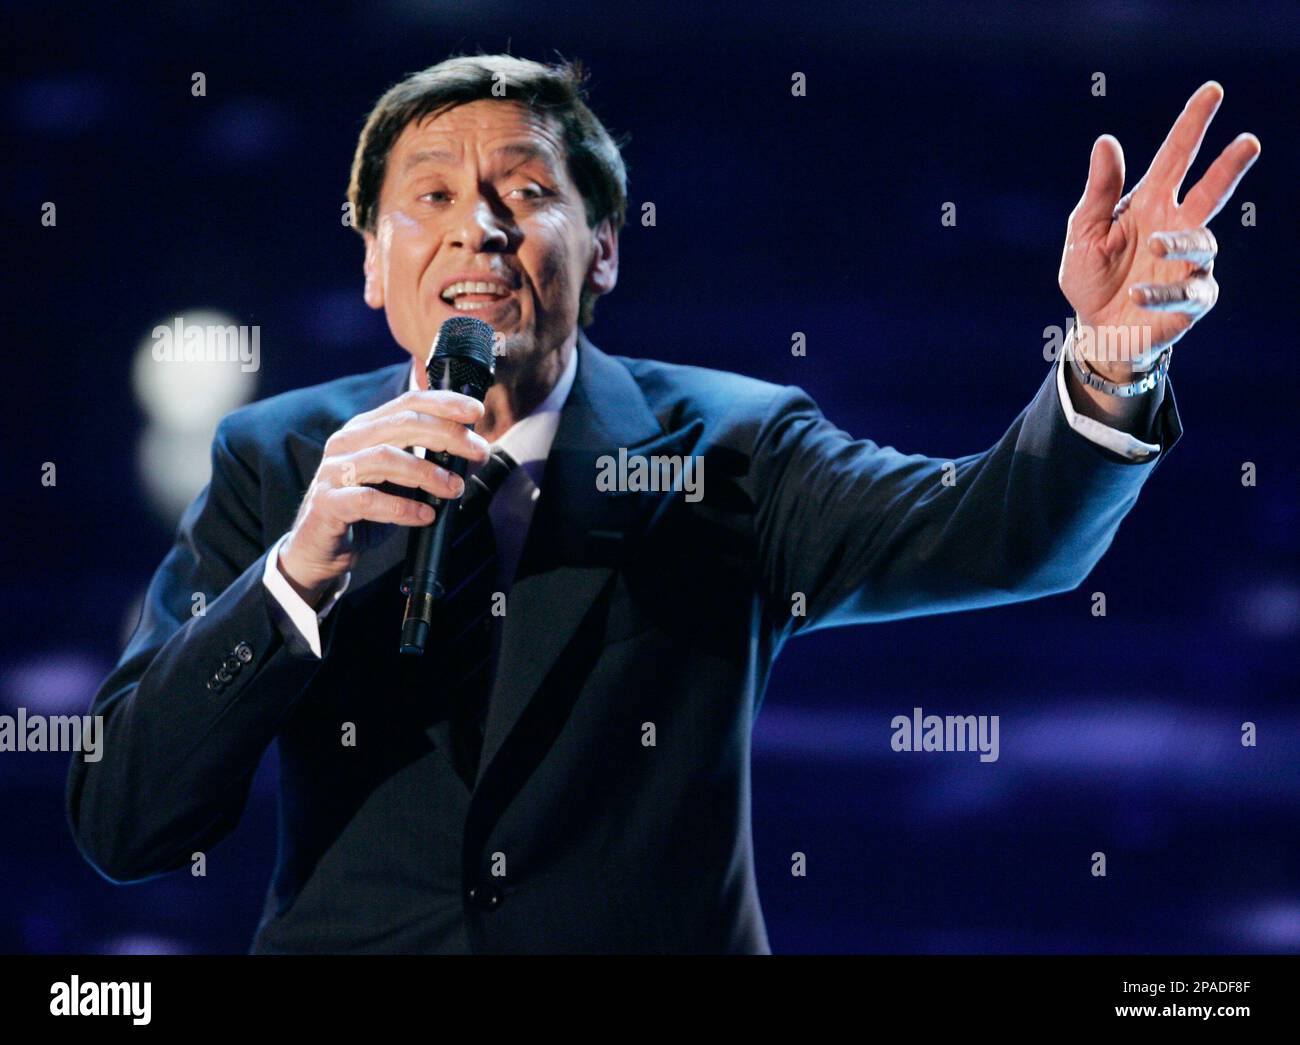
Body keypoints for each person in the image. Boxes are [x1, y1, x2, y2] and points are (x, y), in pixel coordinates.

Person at [66, 55, 1259, 953]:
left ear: (601, 253)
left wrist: (1106, 365)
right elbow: (125, 821)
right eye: (427, 197)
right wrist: (296, 576)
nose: (477, 221)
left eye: (523, 190)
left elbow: (1001, 532)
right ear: (375, 262)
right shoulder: (277, 461)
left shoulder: (734, 446)